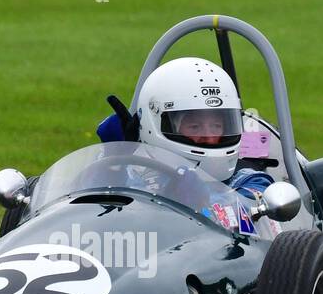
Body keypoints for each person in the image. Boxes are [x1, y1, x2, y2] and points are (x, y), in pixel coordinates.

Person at [96, 57, 273, 200]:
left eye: (217, 126)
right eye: (195, 127)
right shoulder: (135, 174)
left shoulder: (248, 180)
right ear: (155, 124)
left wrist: (200, 198)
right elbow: (89, 208)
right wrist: (114, 160)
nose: (210, 137)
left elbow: (251, 208)